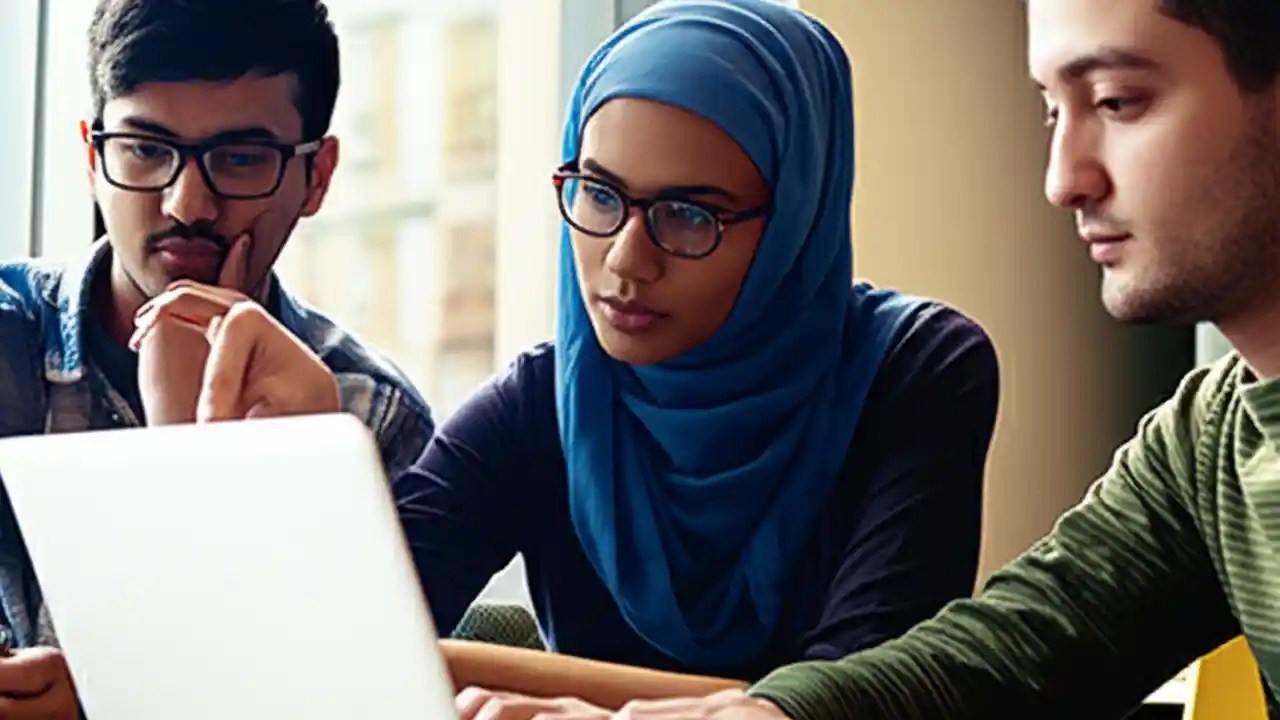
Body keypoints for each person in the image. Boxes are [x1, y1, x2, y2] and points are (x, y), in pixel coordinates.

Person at [137, 0, 1000, 711]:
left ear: (797, 222)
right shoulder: (541, 403)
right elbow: (331, 664)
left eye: (689, 214)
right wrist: (289, 460)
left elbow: (871, 690)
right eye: (597, 193)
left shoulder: (916, 371)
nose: (624, 261)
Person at [498, 0, 1278, 717]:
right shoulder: (1209, 440)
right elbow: (1010, 651)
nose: (1062, 181)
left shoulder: (913, 364)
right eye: (1050, 110)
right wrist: (760, 715)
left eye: (1116, 101)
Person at [0, 0, 434, 715]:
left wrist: (195, 448)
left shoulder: (365, 414)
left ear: (317, 176)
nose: (187, 203)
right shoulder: (10, 341)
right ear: (92, 158)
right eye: (145, 150)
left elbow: (342, 703)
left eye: (239, 158)